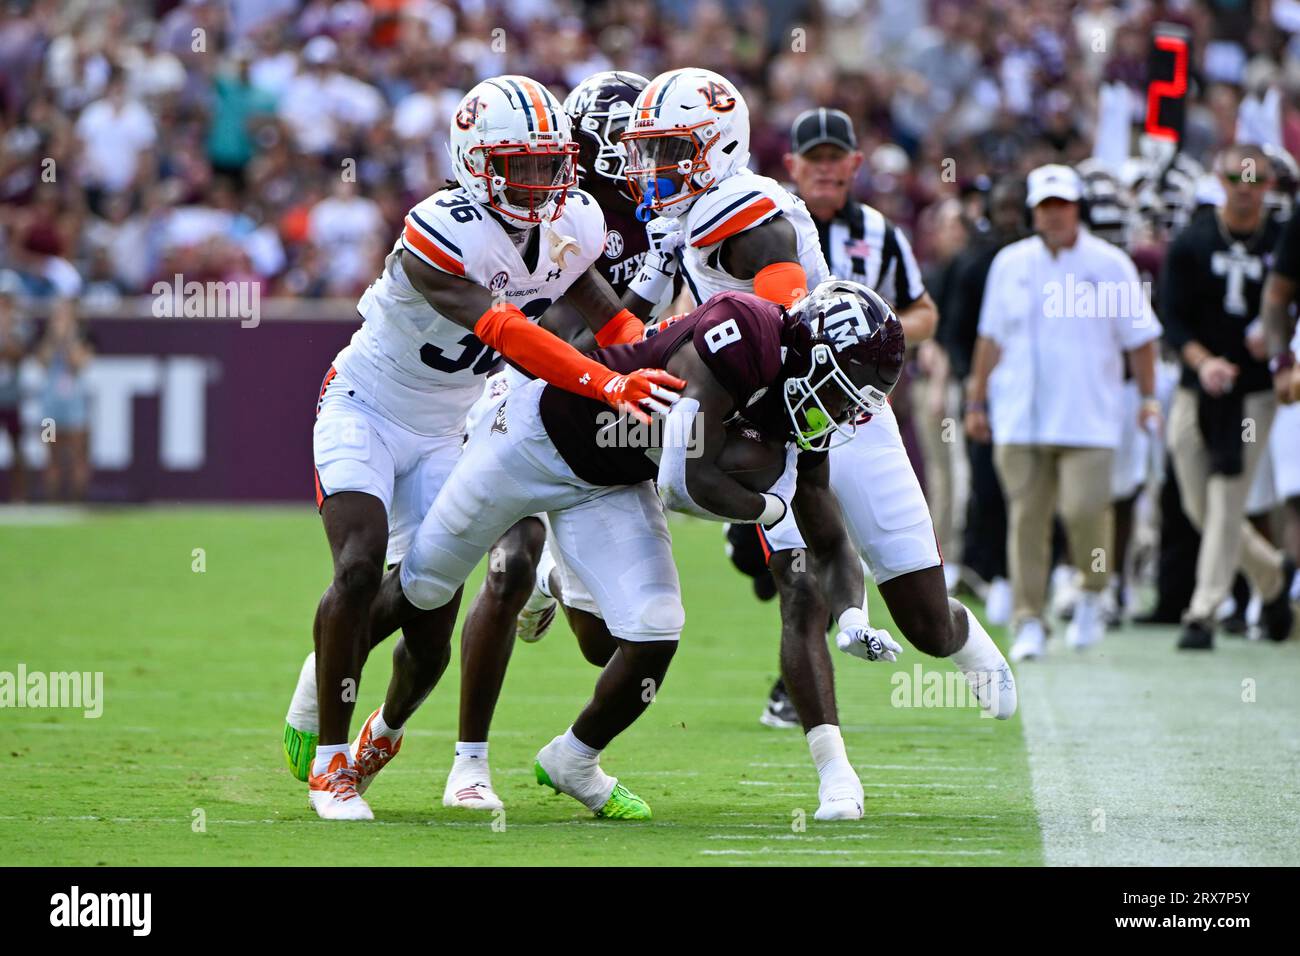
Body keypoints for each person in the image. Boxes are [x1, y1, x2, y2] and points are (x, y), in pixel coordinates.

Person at [287, 74, 685, 821]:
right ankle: (332, 764)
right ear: (474, 162)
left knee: (431, 622)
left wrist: (670, 363)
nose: (539, 182)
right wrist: (608, 386)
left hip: (451, 424)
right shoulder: (440, 228)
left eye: (548, 163)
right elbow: (510, 333)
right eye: (519, 165)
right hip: (366, 405)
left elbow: (610, 317)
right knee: (359, 562)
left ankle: (383, 733)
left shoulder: (574, 222)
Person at [614, 74, 1016, 810]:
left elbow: (776, 323)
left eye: (669, 150)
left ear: (715, 147)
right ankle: (837, 774)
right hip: (772, 409)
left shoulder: (753, 216)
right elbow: (623, 333)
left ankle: (966, 639)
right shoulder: (683, 216)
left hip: (837, 409)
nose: (655, 167)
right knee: (799, 589)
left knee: (923, 624)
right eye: (652, 151)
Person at [364, 282, 906, 821]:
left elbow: (830, 540)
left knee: (650, 630)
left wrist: (853, 616)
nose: (840, 411)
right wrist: (771, 511)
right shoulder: (742, 335)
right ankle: (334, 714)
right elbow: (679, 482)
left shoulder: (800, 415)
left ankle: (573, 758)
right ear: (815, 355)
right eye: (841, 392)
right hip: (534, 438)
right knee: (423, 586)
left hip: (610, 484)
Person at [965, 164, 1162, 661]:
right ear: (1033, 211)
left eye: (1063, 206)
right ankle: (1030, 619)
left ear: (1078, 209)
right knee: (1026, 519)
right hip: (1020, 415)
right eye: (1045, 207)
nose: (1054, 215)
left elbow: (1140, 338)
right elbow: (990, 337)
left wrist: (1147, 398)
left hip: (1089, 415)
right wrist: (976, 398)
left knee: (1082, 513)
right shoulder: (1010, 262)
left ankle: (1093, 593)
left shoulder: (1110, 263)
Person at [1162, 143, 1294, 650]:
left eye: (1257, 179)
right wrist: (1203, 361)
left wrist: (1278, 336)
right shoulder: (1193, 240)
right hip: (1198, 387)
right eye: (1238, 179)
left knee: (1225, 500)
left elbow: (1290, 303)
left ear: (1268, 185)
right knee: (1200, 504)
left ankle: (1203, 612)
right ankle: (1272, 575)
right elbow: (1171, 317)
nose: (1246, 189)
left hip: (1254, 392)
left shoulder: (1281, 239)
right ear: (1220, 178)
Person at [942, 177, 1030, 624]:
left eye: (1019, 208)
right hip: (988, 391)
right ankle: (989, 570)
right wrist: (972, 386)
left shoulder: (1040, 262)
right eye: (1004, 209)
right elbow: (957, 333)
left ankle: (1034, 573)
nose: (1012, 218)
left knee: (1036, 486)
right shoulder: (975, 264)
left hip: (1037, 392)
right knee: (986, 483)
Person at [36, 298, 93, 502]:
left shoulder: (83, 337)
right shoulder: (46, 338)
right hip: (51, 408)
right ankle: (53, 501)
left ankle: (78, 500)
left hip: (74, 407)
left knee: (78, 454)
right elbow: (42, 362)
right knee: (52, 456)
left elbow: (78, 363)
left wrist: (68, 339)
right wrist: (54, 338)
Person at [0, 272, 33, 501]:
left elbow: (17, 354)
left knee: (17, 446)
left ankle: (19, 496)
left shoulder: (21, 323)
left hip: (12, 395)